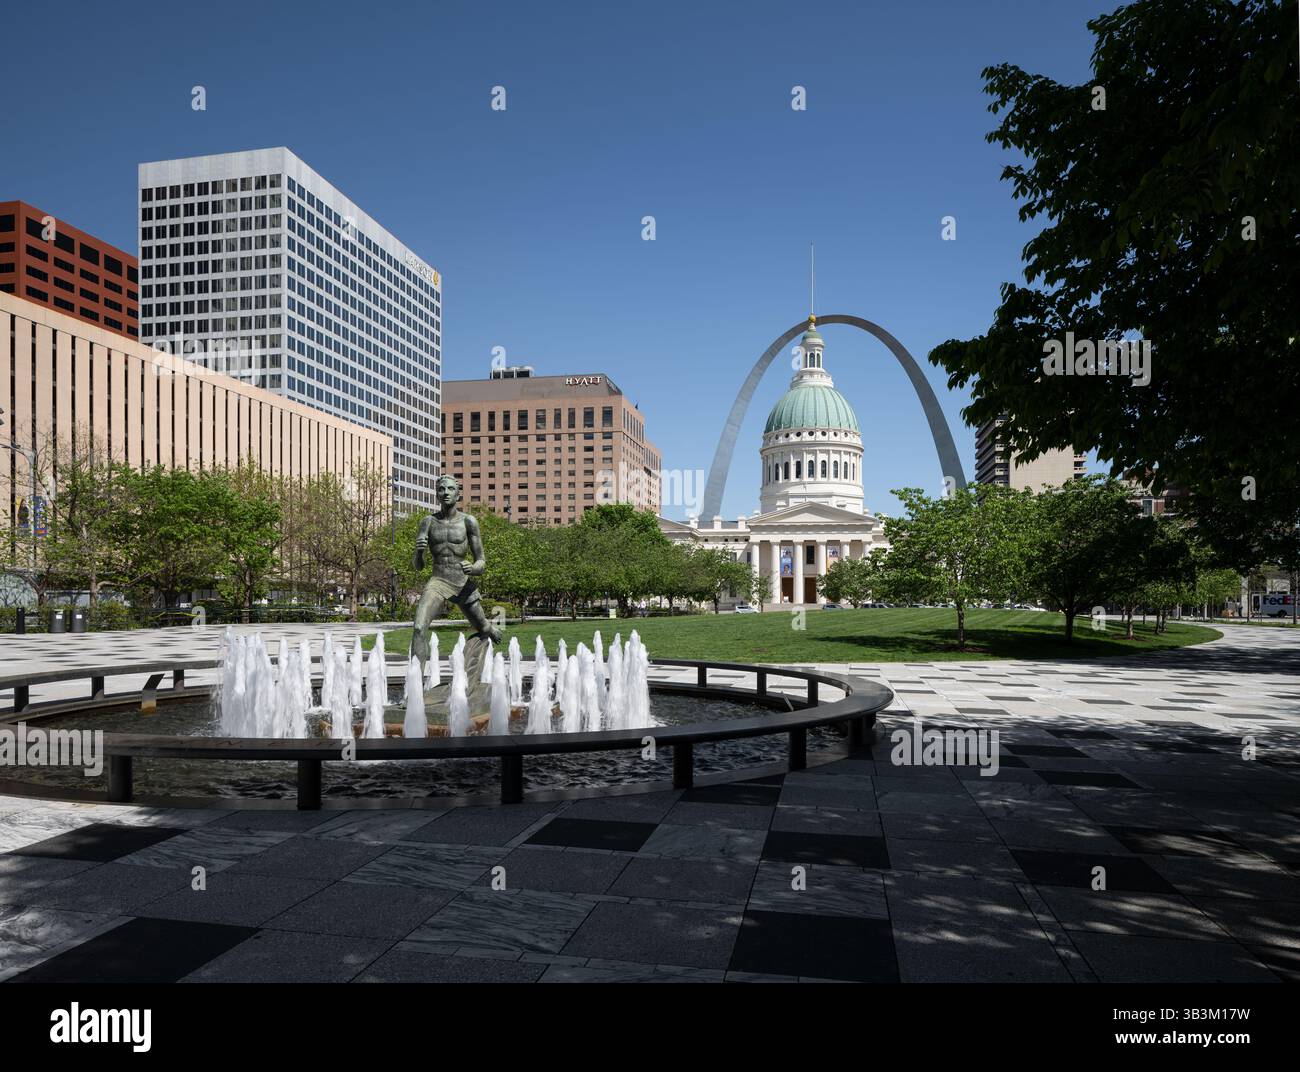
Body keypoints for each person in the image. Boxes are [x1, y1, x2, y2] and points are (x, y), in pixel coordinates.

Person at [410, 475, 502, 670]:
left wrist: (474, 568)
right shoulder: (428, 522)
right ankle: (414, 689)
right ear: (436, 494)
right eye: (442, 489)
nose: (446, 493)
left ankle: (489, 641)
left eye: (450, 489)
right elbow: (418, 567)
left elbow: (481, 561)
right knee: (418, 628)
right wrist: (418, 552)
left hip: (463, 584)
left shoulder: (469, 522)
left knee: (484, 628)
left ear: (458, 495)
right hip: (438, 581)